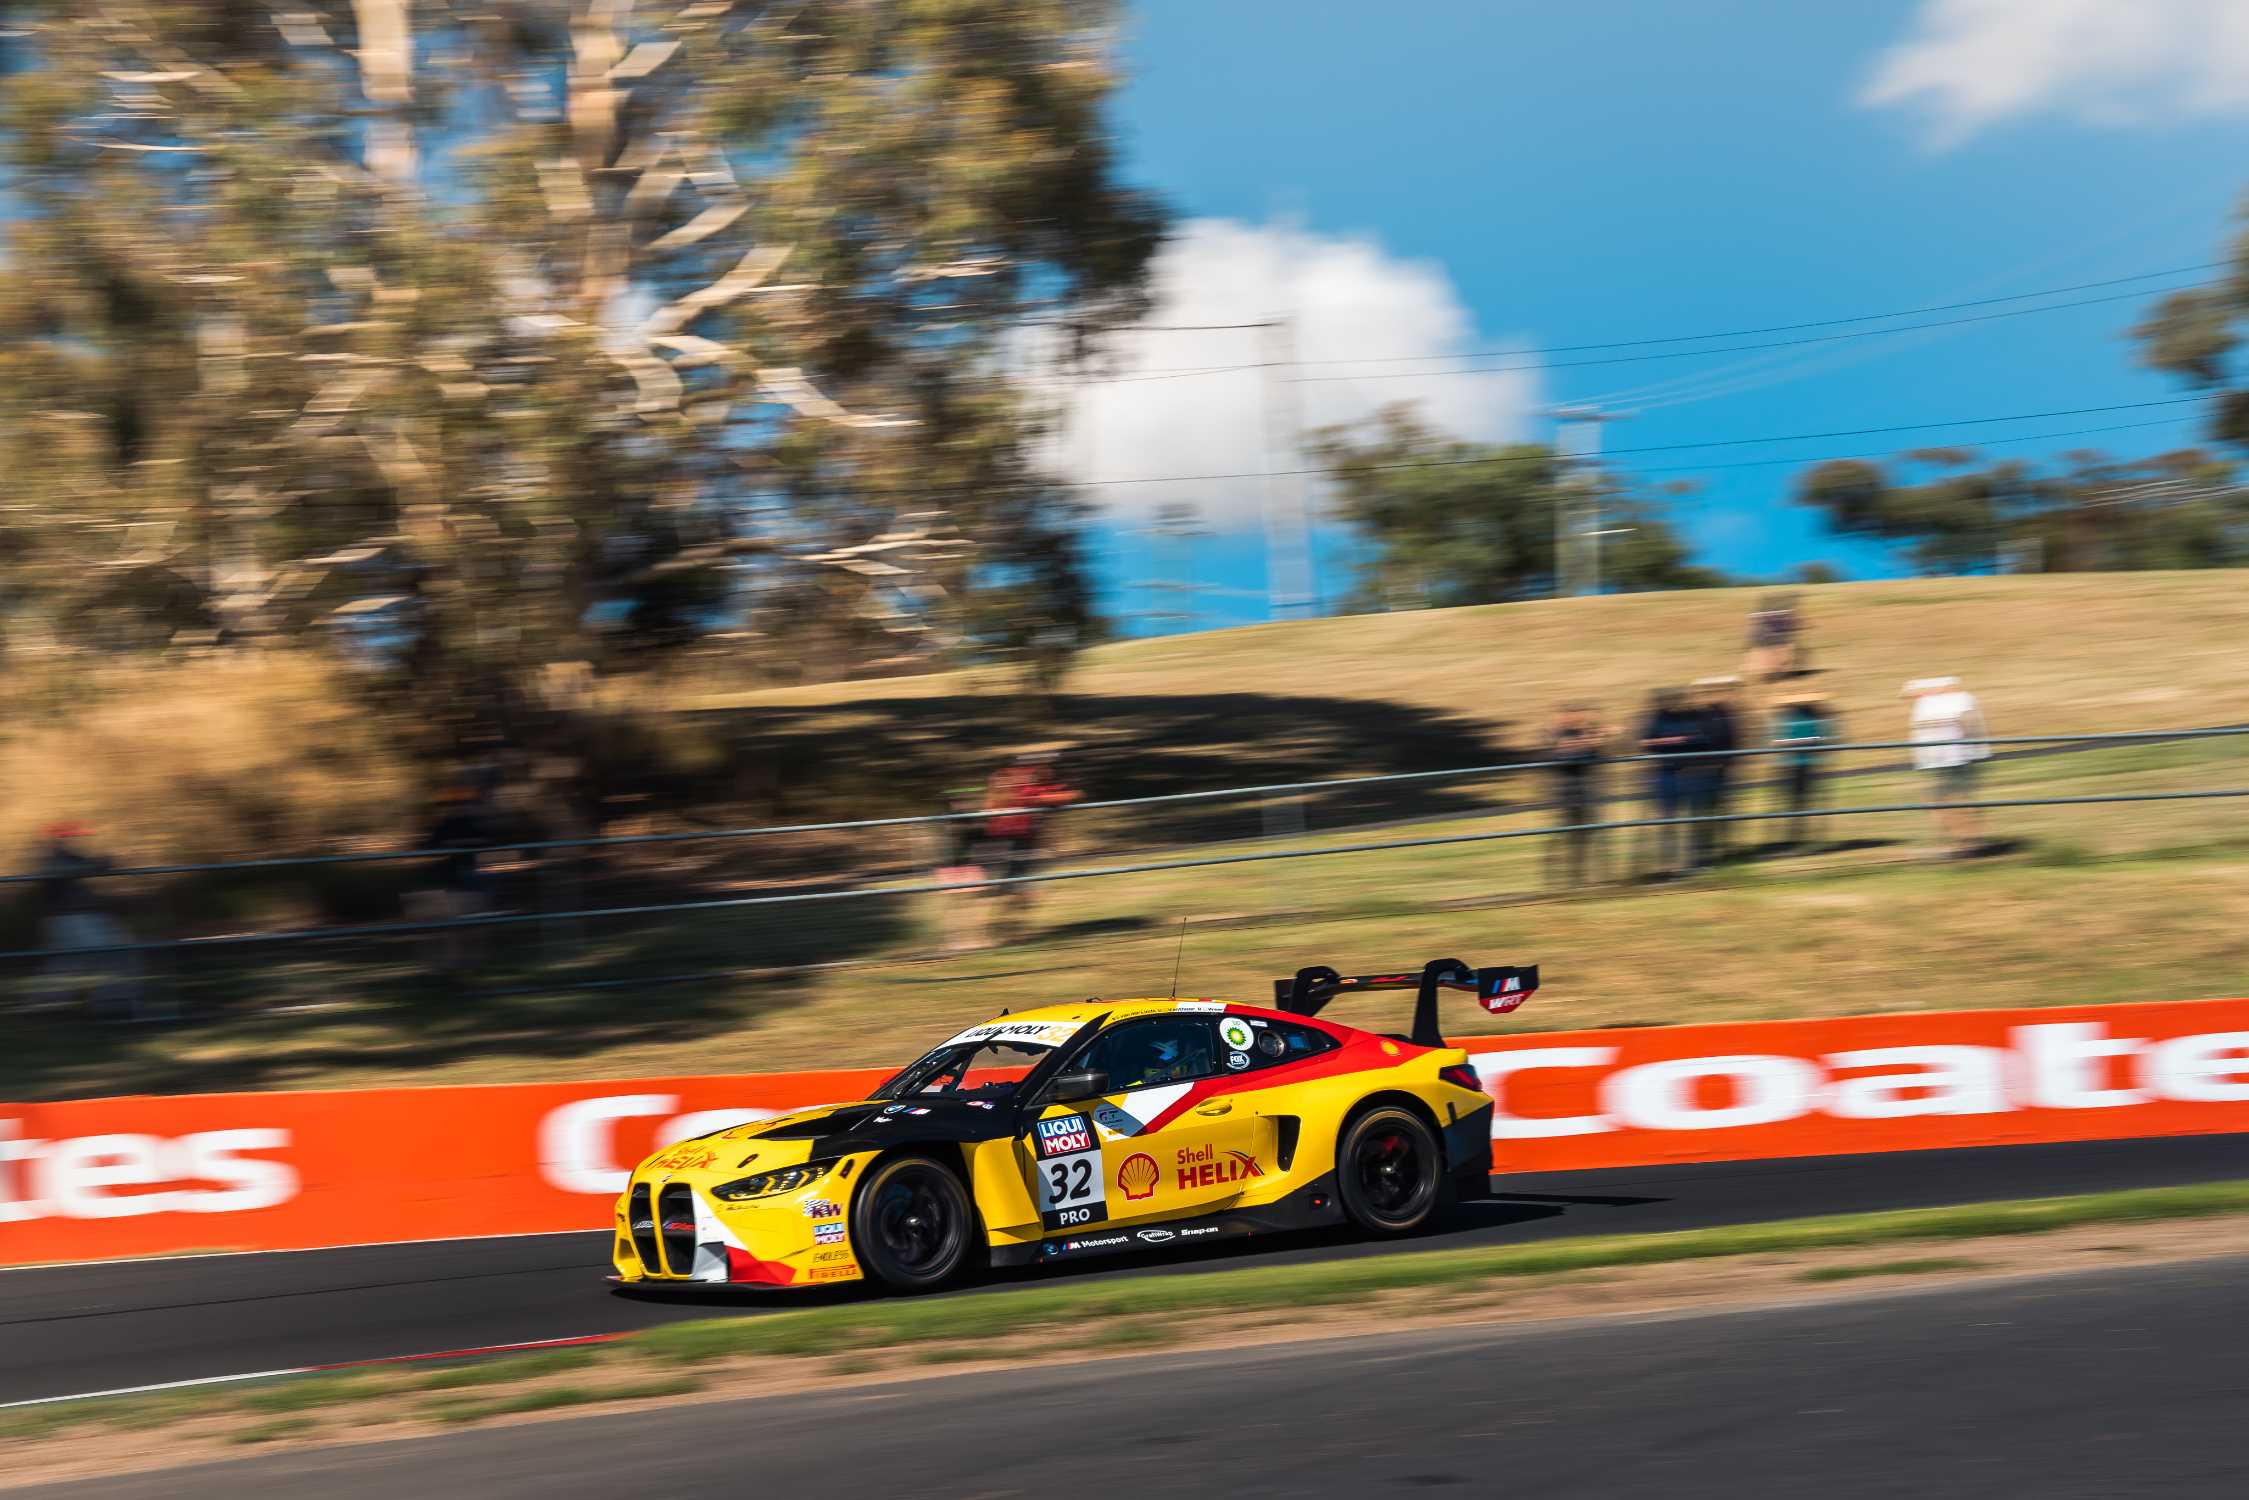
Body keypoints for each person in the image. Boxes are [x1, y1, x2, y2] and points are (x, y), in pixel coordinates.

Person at [31, 823, 146, 1021]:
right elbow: (73, 869)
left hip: (78, 918)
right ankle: (111, 1005)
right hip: (72, 919)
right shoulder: (51, 858)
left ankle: (46, 1007)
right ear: (59, 839)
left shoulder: (69, 856)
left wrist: (107, 862)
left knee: (68, 965)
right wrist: (101, 864)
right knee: (111, 955)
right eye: (72, 837)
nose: (77, 840)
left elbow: (95, 865)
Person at [981, 745, 1081, 942]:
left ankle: (1006, 928)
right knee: (1018, 887)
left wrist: (1062, 796)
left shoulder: (1029, 779)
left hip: (1022, 839)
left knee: (1019, 886)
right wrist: (1058, 797)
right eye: (1046, 763)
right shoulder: (1012, 778)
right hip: (1008, 839)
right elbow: (1036, 798)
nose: (1050, 768)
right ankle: (1000, 929)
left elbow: (1066, 795)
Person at [1906, 677, 1992, 858]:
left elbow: (1966, 723)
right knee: (1944, 802)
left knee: (1951, 801)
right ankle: (1966, 842)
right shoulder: (1932, 703)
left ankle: (1969, 843)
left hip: (1956, 760)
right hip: (1945, 761)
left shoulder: (1954, 701)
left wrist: (1968, 748)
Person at [1543, 703, 1613, 888]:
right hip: (1566, 794)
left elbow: (1595, 758)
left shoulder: (1580, 735)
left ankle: (1578, 877)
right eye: (1568, 715)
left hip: (1585, 792)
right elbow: (1563, 757)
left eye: (1574, 715)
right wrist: (1589, 743)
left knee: (1584, 836)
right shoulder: (1553, 735)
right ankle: (1558, 876)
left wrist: (1597, 741)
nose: (1573, 719)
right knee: (1564, 836)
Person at [1769, 673, 1839, 848]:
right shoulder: (1786, 716)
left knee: (1800, 803)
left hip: (1805, 763)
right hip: (1789, 764)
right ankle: (1790, 839)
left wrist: (1791, 743)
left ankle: (1797, 839)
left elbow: (1823, 737)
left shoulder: (1812, 716)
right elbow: (1774, 740)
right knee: (1790, 803)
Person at [1635, 688, 1695, 878]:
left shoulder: (1682, 718)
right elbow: (1644, 743)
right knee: (1667, 821)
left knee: (1681, 820)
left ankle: (1678, 865)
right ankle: (1666, 866)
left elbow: (1693, 738)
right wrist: (1672, 740)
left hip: (1683, 773)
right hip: (1663, 775)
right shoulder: (1654, 720)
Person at [1692, 677, 1743, 867]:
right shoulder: (1701, 717)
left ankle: (1720, 853)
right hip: (1702, 774)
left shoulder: (1728, 716)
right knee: (1703, 814)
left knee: (1721, 813)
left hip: (1721, 773)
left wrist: (1727, 763)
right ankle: (1702, 855)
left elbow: (1734, 742)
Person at [933, 786, 989, 953]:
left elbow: (982, 833)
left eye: (963, 801)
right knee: (953, 904)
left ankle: (979, 938)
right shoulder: (945, 819)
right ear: (950, 804)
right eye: (956, 801)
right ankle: (952, 941)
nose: (960, 804)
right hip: (950, 865)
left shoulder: (973, 817)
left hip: (970, 863)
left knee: (975, 901)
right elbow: (950, 832)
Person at [1743, 593, 1804, 681]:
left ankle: (1774, 671)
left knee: (1777, 654)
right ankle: (1776, 671)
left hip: (1768, 639)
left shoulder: (1771, 615)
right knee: (1782, 653)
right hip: (1771, 640)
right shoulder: (1780, 615)